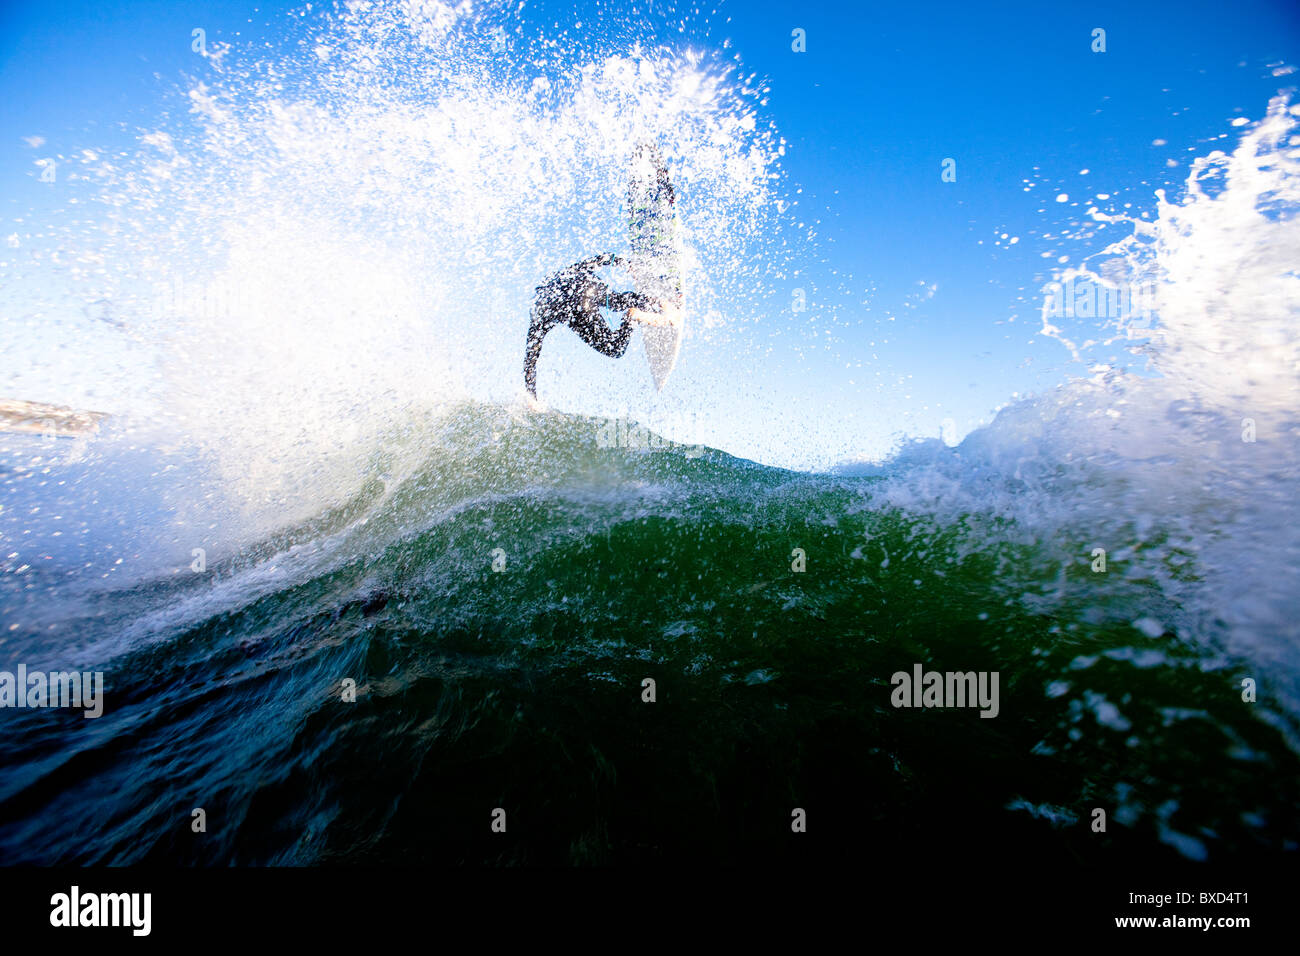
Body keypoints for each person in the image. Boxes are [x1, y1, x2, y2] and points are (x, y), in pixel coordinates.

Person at [523, 253, 677, 403]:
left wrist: (531, 396)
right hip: (589, 284)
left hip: (575, 306)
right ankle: (661, 303)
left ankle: (632, 316)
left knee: (614, 349)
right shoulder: (564, 274)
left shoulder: (538, 315)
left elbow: (530, 360)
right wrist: (626, 263)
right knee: (618, 300)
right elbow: (600, 259)